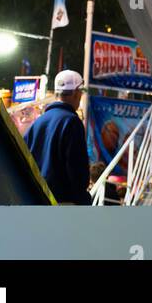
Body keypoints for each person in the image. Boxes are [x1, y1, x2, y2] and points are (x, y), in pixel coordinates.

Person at [24, 69, 91, 206]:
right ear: (75, 93)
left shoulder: (38, 122)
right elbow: (76, 168)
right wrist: (83, 199)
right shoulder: (71, 122)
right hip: (63, 203)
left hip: (36, 201)